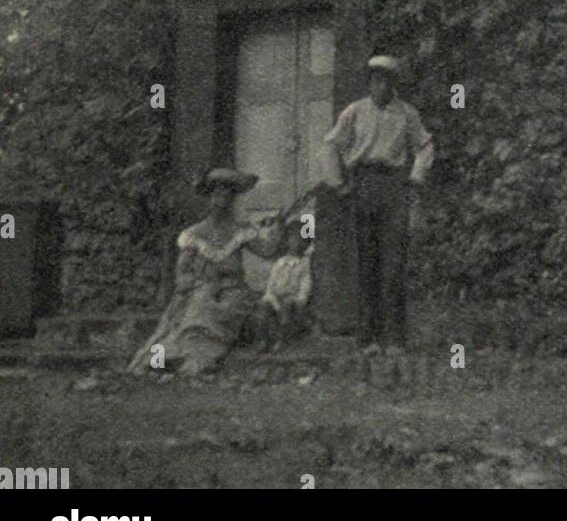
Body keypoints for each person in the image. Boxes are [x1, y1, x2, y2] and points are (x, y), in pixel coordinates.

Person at [322, 55, 433, 352]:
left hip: (394, 187)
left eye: (385, 81)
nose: (379, 87)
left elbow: (424, 145)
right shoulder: (355, 112)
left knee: (393, 262)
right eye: (374, 81)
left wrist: (416, 177)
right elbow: (331, 145)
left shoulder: (406, 113)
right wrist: (339, 184)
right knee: (366, 261)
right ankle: (368, 339)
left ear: (394, 84)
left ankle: (394, 338)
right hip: (363, 185)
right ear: (369, 83)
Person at [128, 167, 282, 378]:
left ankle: (196, 362)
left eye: (227, 197)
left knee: (218, 311)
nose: (221, 202)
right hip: (203, 289)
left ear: (232, 201)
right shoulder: (195, 233)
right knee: (197, 310)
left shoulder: (241, 230)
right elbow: (182, 270)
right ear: (209, 199)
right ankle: (167, 361)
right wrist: (189, 283)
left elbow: (268, 252)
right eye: (217, 196)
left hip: (234, 292)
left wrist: (277, 229)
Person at [252, 212, 315, 351]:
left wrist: (299, 299)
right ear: (286, 241)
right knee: (263, 306)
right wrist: (271, 298)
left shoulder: (305, 263)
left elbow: (306, 283)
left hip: (292, 299)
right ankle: (262, 339)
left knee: (286, 306)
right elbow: (271, 285)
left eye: (302, 240)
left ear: (307, 243)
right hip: (276, 296)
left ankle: (281, 339)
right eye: (293, 239)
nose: (297, 243)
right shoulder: (280, 263)